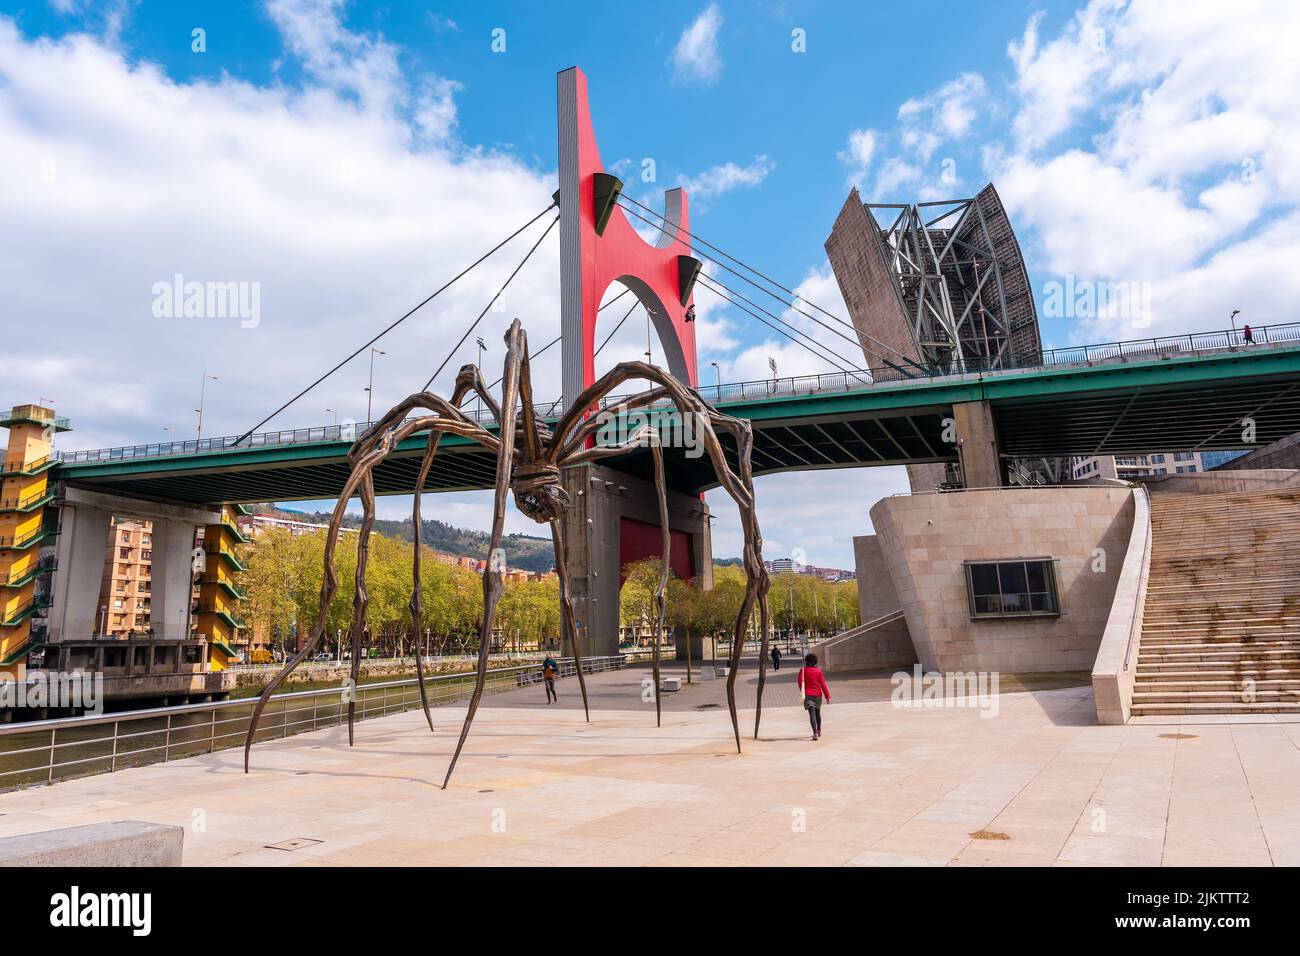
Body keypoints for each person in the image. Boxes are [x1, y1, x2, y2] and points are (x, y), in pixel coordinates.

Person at [797, 653, 830, 740]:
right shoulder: (818, 671)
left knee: (812, 714)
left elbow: (800, 683)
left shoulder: (802, 670)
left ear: (806, 661)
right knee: (817, 713)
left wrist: (803, 691)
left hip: (807, 695)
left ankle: (815, 732)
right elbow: (823, 684)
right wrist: (827, 696)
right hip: (817, 695)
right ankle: (819, 730)